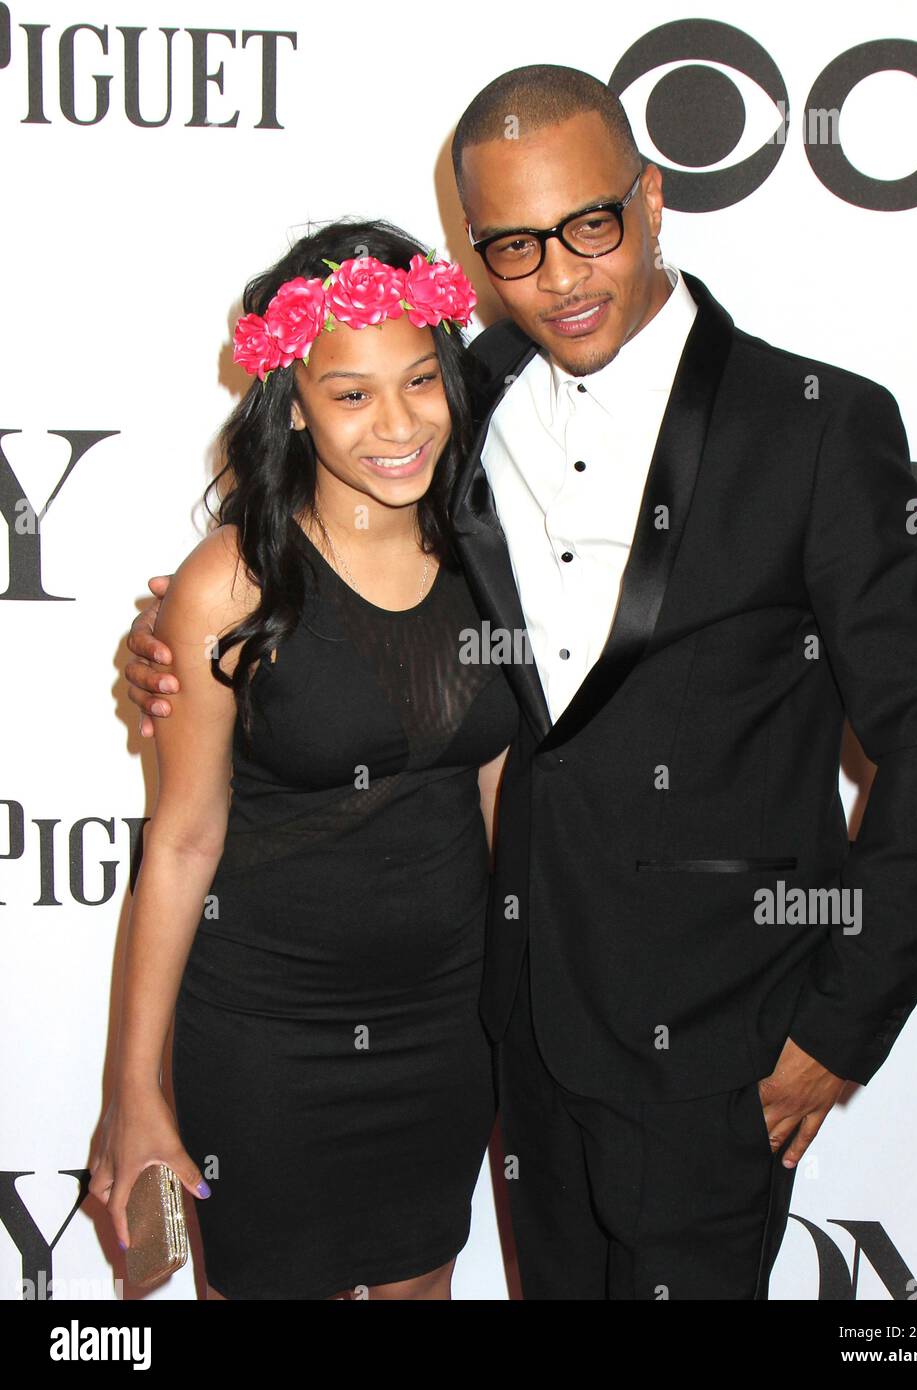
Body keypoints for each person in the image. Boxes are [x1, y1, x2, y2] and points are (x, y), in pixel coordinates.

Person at [123, 67, 917, 1300]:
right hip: (513, 1025)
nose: (563, 277)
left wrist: (838, 1031)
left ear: (650, 200)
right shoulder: (461, 398)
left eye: (591, 225)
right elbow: (316, 553)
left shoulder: (814, 426)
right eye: (517, 246)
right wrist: (172, 635)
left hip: (718, 1049)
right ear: (478, 255)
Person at [90, 219, 520, 1300]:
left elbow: (502, 801)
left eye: (421, 380)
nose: (396, 423)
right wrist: (134, 1088)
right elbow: (182, 840)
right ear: (292, 403)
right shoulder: (229, 585)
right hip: (266, 1043)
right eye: (351, 392)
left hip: (445, 1029)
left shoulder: (497, 555)